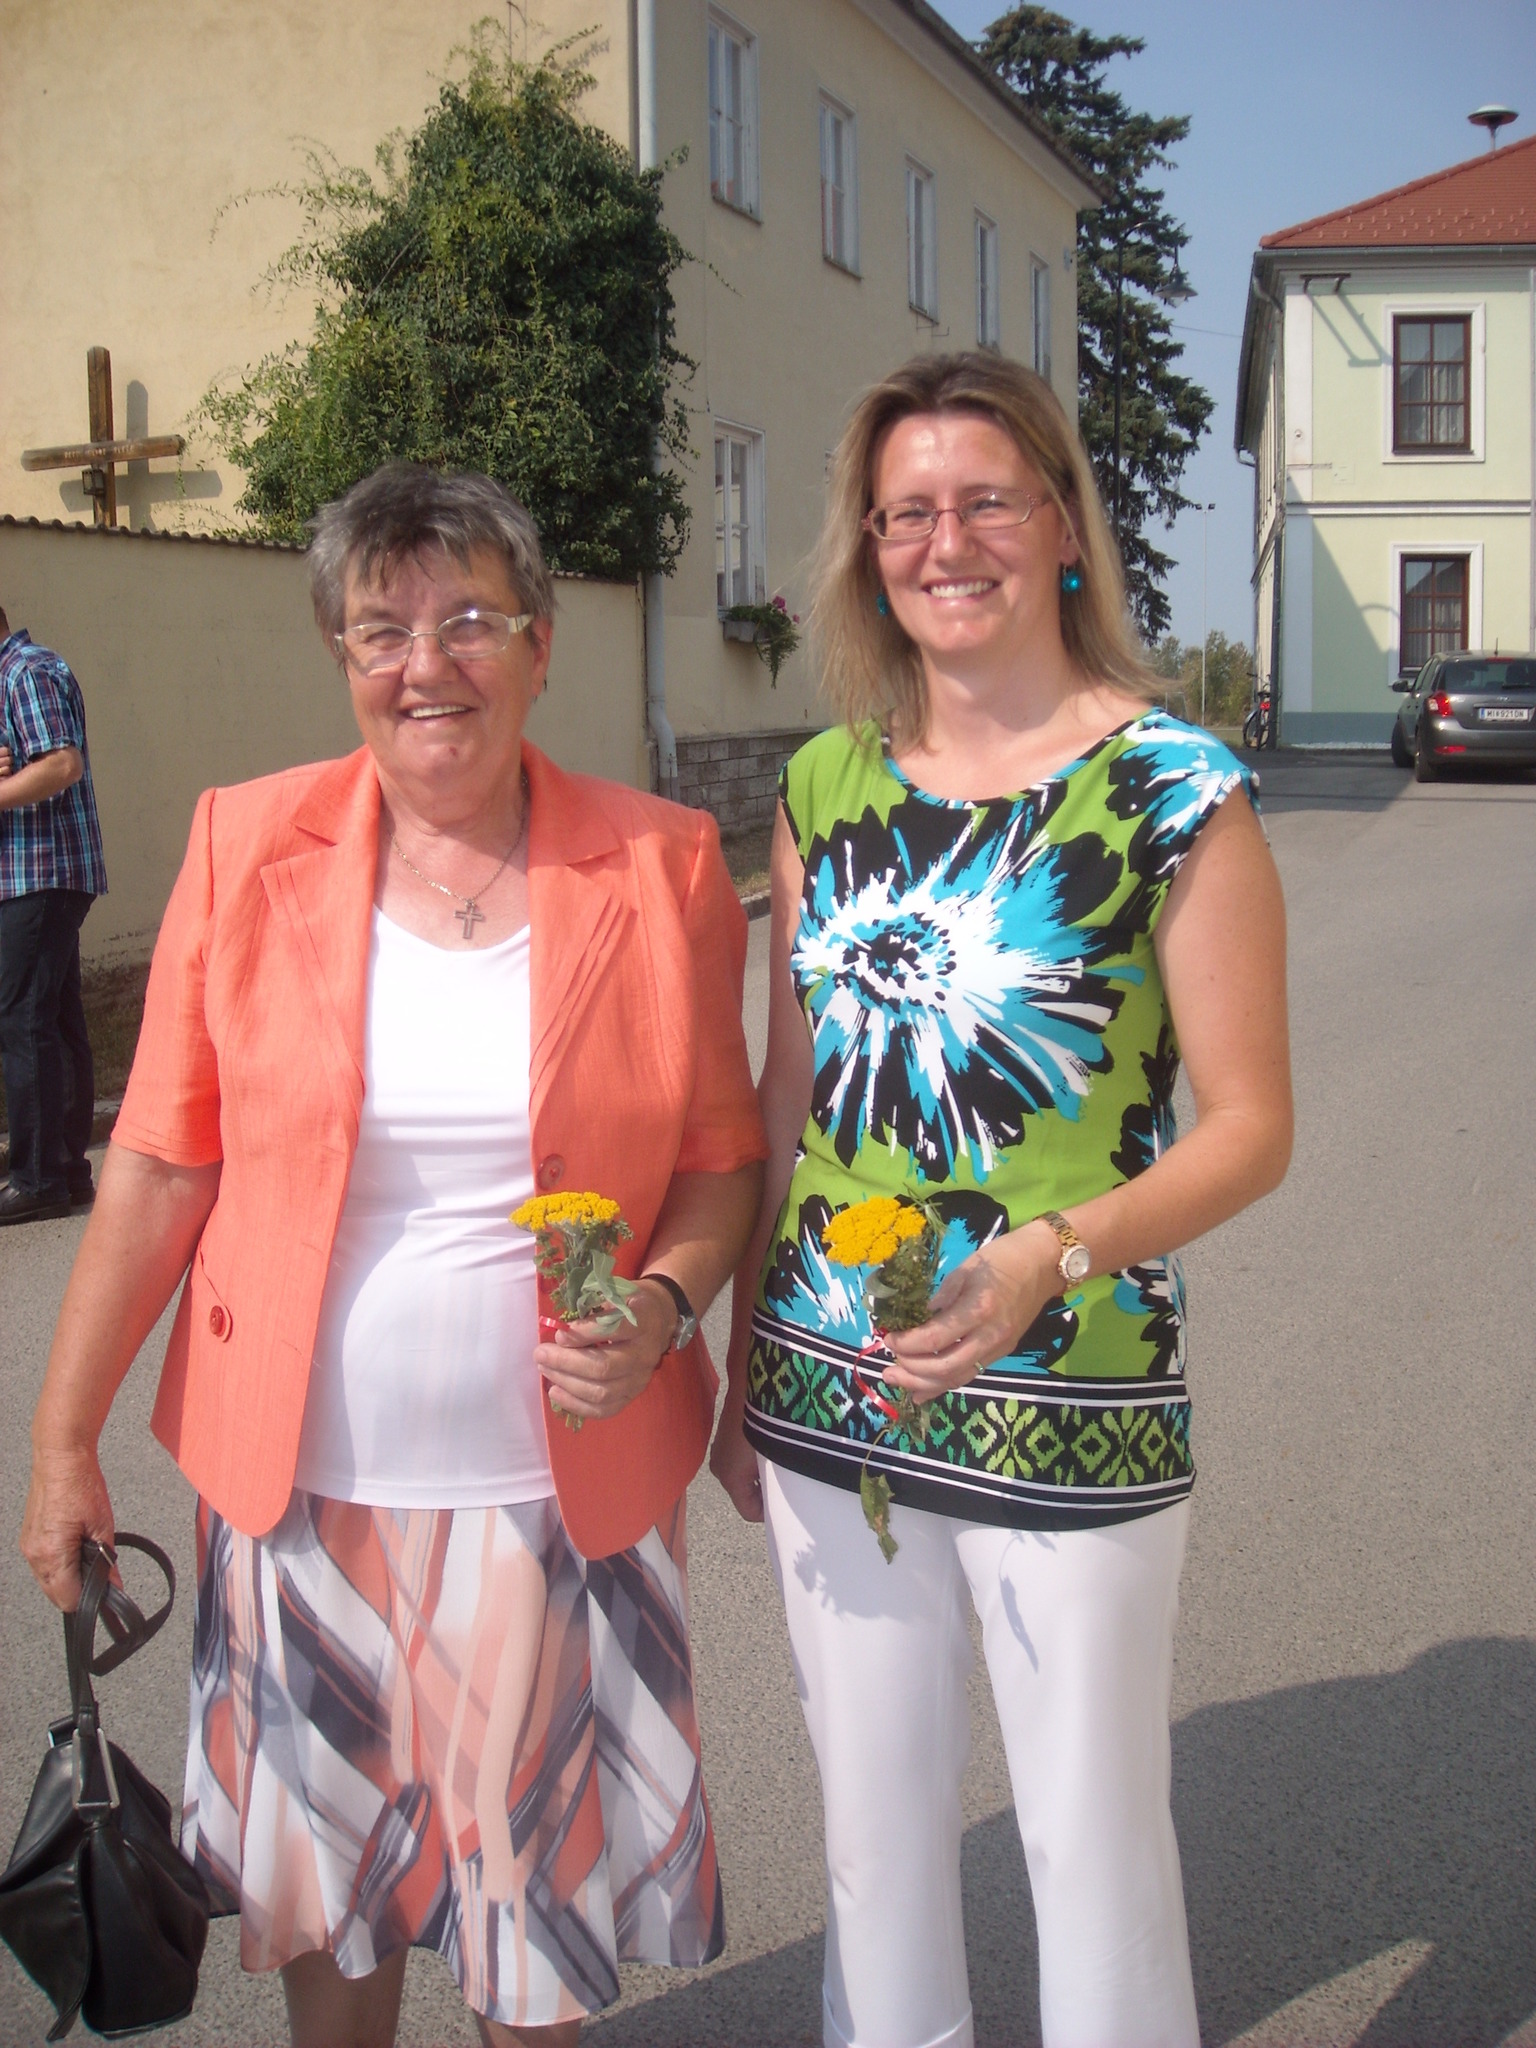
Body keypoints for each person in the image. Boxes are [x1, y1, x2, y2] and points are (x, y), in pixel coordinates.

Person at [21, 464, 767, 2048]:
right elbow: (158, 1162)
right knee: (334, 1919)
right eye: (381, 630)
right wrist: (64, 1438)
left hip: (559, 1504)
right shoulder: (246, 844)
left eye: (471, 620)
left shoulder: (659, 863)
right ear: (343, 656)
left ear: (543, 645)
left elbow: (721, 1163)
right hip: (302, 1502)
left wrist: (661, 1300)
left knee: (532, 1939)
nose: (425, 664)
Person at [712, 353, 1293, 2048]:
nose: (943, 539)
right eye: (907, 511)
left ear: (1057, 522)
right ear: (868, 544)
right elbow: (790, 1097)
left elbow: (1251, 1124)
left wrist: (1060, 1246)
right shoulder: (824, 788)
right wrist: (749, 1351)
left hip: (1076, 1383)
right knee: (873, 1842)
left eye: (982, 499)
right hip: (836, 1389)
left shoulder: (1176, 789)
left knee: (1088, 1838)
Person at [0, 605, 108, 1224]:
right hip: (35, 877)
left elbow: (63, 764)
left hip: (40, 873)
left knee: (24, 1021)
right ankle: (64, 1170)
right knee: (55, 1021)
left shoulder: (26, 671)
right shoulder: (16, 676)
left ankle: (38, 1176)